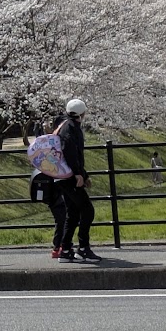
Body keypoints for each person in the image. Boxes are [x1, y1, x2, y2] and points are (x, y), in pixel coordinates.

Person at [53, 98, 100, 263]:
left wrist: (84, 174)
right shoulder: (71, 129)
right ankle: (83, 248)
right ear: (82, 113)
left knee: (72, 213)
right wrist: (78, 174)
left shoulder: (64, 125)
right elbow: (71, 153)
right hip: (69, 177)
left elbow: (73, 155)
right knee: (87, 210)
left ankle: (65, 250)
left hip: (62, 176)